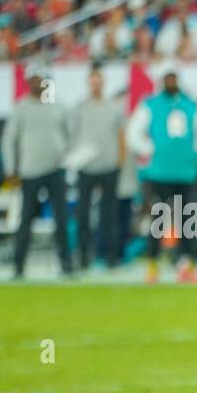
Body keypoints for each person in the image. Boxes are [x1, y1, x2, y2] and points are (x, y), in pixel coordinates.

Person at [125, 63, 197, 283]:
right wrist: (151, 149)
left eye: (174, 77)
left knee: (188, 220)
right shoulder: (151, 105)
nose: (171, 82)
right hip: (159, 173)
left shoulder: (190, 106)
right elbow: (133, 133)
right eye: (167, 77)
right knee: (158, 220)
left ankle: (188, 265)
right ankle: (153, 264)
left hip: (186, 173)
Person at [3, 69, 70, 278]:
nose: (36, 83)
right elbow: (8, 141)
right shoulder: (21, 108)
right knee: (26, 220)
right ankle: (19, 266)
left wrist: (66, 156)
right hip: (30, 171)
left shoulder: (56, 106)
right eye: (32, 80)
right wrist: (10, 169)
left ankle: (66, 265)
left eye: (39, 80)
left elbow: (67, 135)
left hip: (55, 169)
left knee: (61, 219)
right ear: (27, 82)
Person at [67, 62, 125, 269]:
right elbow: (73, 136)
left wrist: (119, 159)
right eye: (93, 82)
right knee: (83, 214)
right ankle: (83, 255)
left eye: (99, 82)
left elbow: (120, 135)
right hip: (86, 167)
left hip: (109, 165)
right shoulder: (80, 108)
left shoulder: (114, 108)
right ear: (88, 84)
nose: (96, 86)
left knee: (109, 214)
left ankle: (110, 256)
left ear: (103, 84)